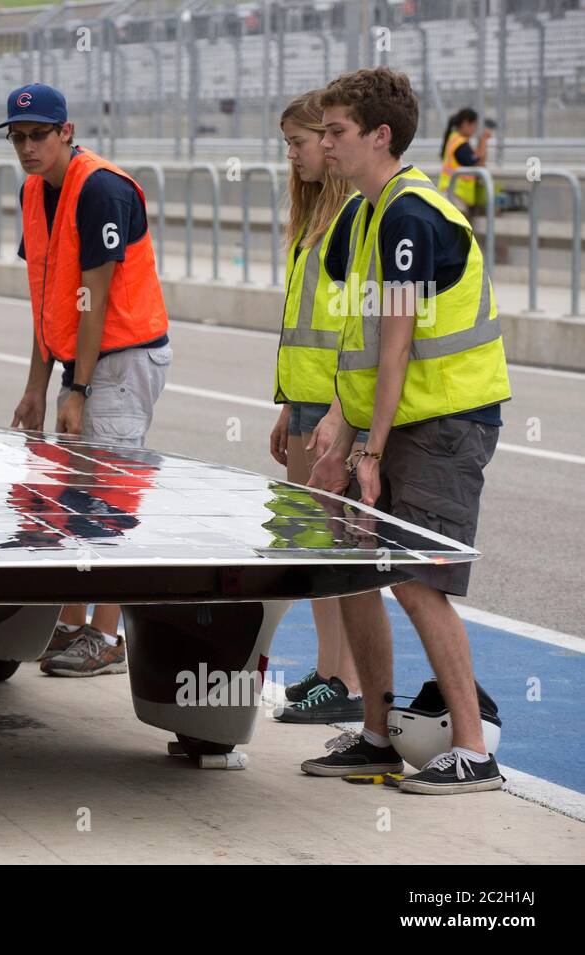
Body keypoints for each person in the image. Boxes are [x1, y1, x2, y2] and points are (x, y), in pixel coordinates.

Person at [304, 67, 510, 794]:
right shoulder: (364, 215)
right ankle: (376, 734)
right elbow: (355, 342)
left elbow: (397, 343)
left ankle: (474, 749)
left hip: (442, 424)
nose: (326, 144)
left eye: (337, 132)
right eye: (322, 131)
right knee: (359, 571)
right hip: (394, 420)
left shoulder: (409, 214)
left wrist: (371, 448)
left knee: (420, 581)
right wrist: (337, 420)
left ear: (379, 136)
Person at [4, 83, 172, 677]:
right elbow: (48, 298)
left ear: (66, 132)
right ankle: (72, 623)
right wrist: (35, 385)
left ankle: (107, 636)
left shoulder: (99, 187)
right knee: (67, 491)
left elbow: (95, 297)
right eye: (18, 137)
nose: (27, 147)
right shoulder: (33, 191)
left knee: (108, 492)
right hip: (80, 359)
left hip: (120, 360)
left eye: (39, 135)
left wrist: (76, 390)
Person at [268, 90, 366, 724]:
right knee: (308, 543)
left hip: (333, 404)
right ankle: (330, 669)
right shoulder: (310, 222)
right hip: (304, 401)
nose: (297, 156)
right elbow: (300, 324)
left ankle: (349, 681)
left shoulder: (355, 215)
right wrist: (284, 404)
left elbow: (360, 322)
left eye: (300, 143)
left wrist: (338, 408)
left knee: (337, 545)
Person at [436, 107, 491, 218]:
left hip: (452, 195)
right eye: (473, 125)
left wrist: (482, 142)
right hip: (455, 197)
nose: (474, 129)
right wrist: (484, 141)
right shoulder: (459, 143)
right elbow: (479, 164)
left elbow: (475, 157)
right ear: (466, 123)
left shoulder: (456, 140)